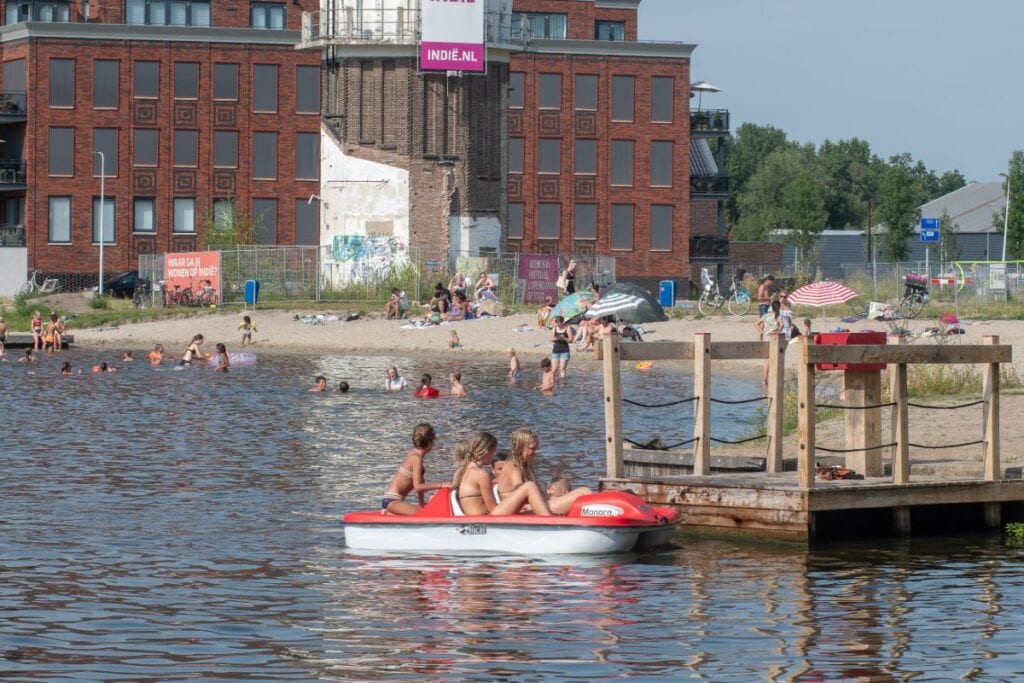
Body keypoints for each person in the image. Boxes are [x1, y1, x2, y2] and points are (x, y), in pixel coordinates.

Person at [454, 431, 552, 516]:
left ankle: (546, 517)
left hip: (480, 516)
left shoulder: (467, 471)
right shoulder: (481, 474)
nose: (494, 455)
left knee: (532, 507)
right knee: (529, 486)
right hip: (484, 519)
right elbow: (492, 508)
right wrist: (517, 505)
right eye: (494, 451)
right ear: (487, 451)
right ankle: (550, 523)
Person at [499, 428, 591, 515]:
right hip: (518, 511)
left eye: (537, 448)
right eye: (532, 448)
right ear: (520, 448)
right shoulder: (512, 466)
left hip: (533, 506)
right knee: (576, 497)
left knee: (584, 490)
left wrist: (559, 499)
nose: (536, 452)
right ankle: (549, 522)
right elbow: (518, 490)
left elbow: (541, 495)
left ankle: (598, 513)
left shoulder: (527, 466)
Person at [380, 423, 448, 515]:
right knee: (424, 515)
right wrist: (442, 485)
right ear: (429, 444)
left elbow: (420, 484)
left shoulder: (416, 456)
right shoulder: (416, 458)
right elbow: (418, 487)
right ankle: (389, 513)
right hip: (392, 501)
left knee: (427, 510)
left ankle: (392, 513)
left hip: (396, 501)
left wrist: (422, 503)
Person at [755, 299, 783, 386]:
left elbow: (756, 324)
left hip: (767, 338)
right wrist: (778, 331)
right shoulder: (778, 316)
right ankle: (771, 379)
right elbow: (782, 325)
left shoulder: (766, 316)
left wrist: (762, 332)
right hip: (774, 338)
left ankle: (765, 379)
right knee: (773, 359)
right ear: (778, 308)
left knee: (766, 360)